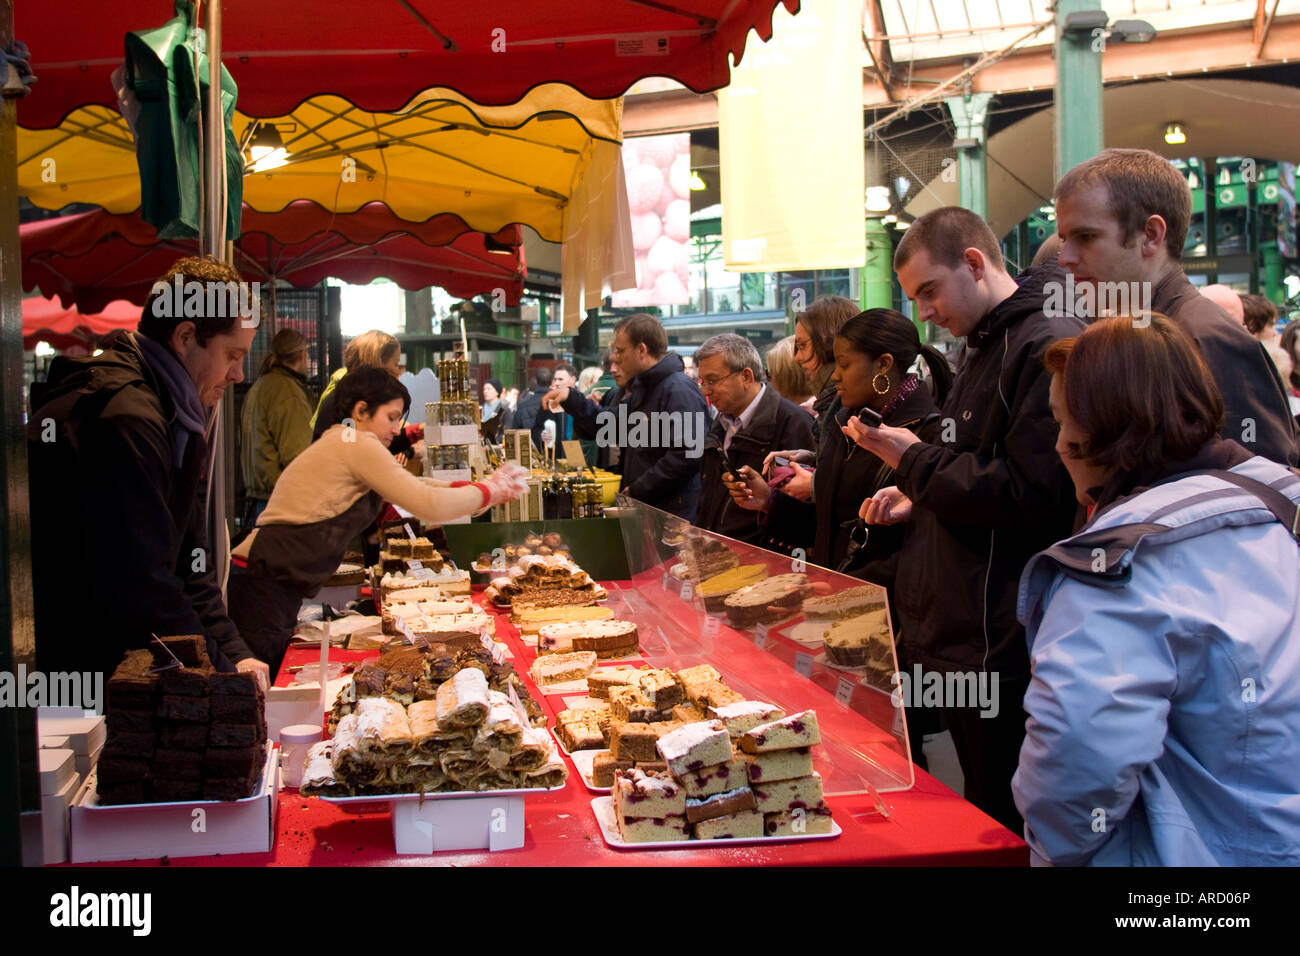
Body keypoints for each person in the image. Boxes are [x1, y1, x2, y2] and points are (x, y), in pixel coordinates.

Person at [1013, 314, 1300, 866]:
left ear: (1093, 431)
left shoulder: (1116, 563)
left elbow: (1077, 756)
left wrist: (1057, 852)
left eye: (1061, 421)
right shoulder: (1282, 502)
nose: (1057, 442)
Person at [847, 207, 1083, 833]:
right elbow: (974, 465)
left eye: (929, 290)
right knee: (979, 802)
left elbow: (1037, 495)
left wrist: (912, 460)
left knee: (1005, 815)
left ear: (975, 264)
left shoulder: (1041, 341)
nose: (924, 311)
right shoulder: (984, 342)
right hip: (960, 626)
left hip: (998, 635)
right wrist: (919, 494)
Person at [28, 256, 268, 686]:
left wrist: (234, 655)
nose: (238, 374)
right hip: (82, 685)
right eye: (233, 355)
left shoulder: (172, 414)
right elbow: (145, 585)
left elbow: (191, 564)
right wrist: (221, 678)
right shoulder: (126, 418)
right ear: (186, 336)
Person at [229, 367, 529, 674]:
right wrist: (488, 492)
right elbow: (427, 503)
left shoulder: (346, 441)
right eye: (391, 416)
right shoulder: (354, 443)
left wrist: (484, 488)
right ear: (360, 410)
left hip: (268, 583)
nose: (397, 428)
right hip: (261, 586)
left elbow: (421, 488)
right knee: (258, 692)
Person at [1054, 147, 1299, 465]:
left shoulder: (1207, 339)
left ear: (1151, 235)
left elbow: (1262, 491)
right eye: (1063, 239)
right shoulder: (1152, 329)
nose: (1065, 258)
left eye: (1085, 236)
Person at [725, 310, 951, 573]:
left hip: (882, 603)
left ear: (883, 365)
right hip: (836, 591)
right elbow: (827, 525)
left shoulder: (928, 436)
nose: (835, 375)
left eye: (844, 364)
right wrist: (769, 501)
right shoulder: (843, 423)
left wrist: (851, 590)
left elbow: (923, 552)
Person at [546, 313, 708, 520]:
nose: (615, 358)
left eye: (620, 351)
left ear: (641, 350)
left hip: (671, 518)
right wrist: (571, 398)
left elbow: (687, 455)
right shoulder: (646, 389)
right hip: (649, 512)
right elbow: (608, 424)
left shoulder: (678, 389)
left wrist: (638, 490)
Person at [692, 334, 814, 544]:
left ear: (746, 377)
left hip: (764, 560)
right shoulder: (720, 421)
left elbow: (803, 513)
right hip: (717, 552)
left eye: (712, 381)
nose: (706, 391)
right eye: (702, 382)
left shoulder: (793, 422)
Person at [240, 328, 313, 532]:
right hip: (279, 505)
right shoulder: (288, 393)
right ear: (301, 355)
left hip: (255, 501)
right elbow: (298, 458)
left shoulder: (260, 385)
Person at [310, 329, 401, 429]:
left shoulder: (348, 391)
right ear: (378, 363)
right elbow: (349, 440)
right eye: (396, 364)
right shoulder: (347, 399)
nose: (398, 372)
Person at [765, 335, 815, 409]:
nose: (768, 381)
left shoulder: (800, 416)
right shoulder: (822, 407)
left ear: (787, 377)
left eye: (769, 374)